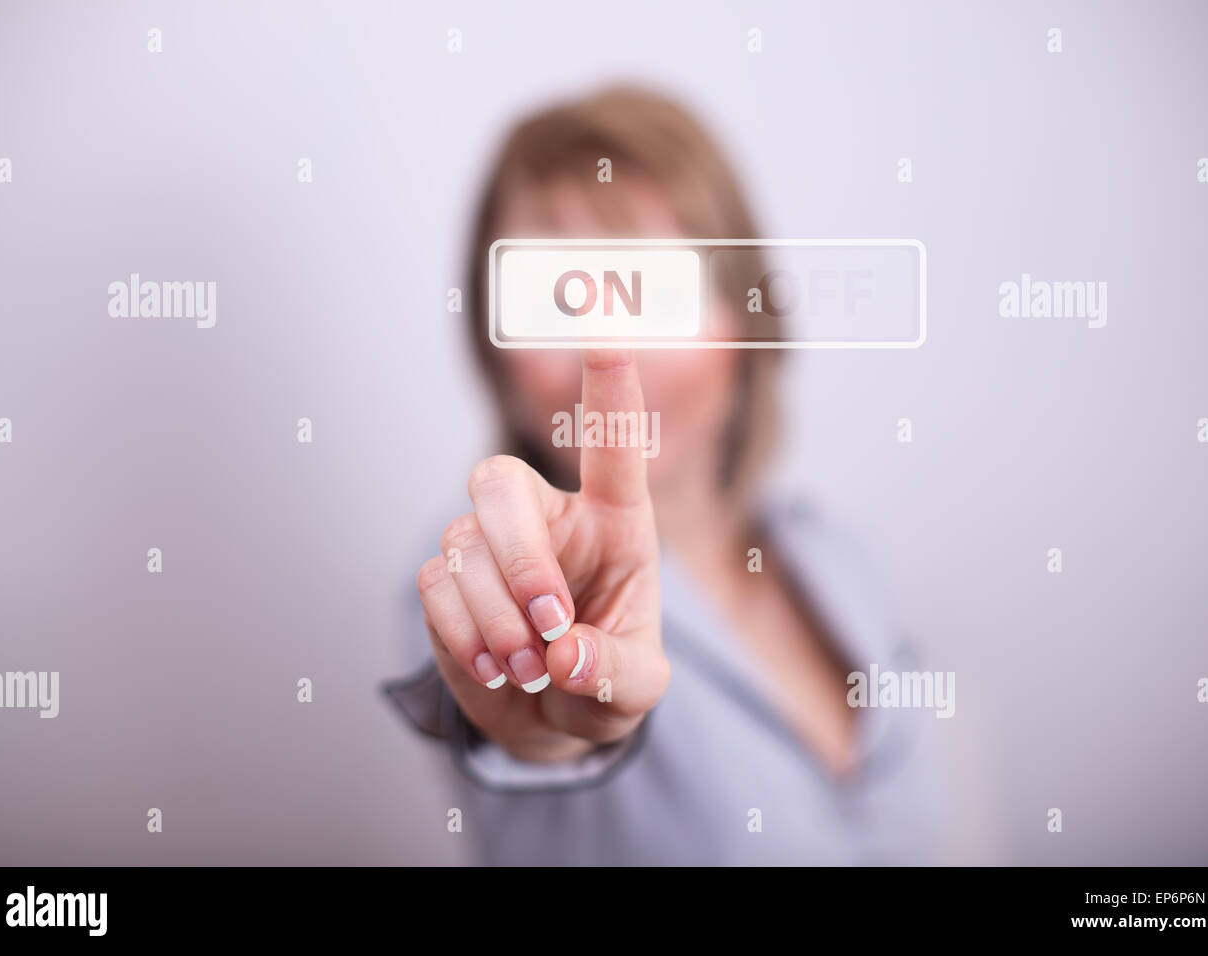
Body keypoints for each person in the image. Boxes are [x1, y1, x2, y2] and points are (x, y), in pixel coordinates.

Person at [386, 86, 944, 864]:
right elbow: (527, 732)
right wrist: (550, 718)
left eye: (660, 290)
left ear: (743, 317)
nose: (612, 343)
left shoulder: (839, 557)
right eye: (557, 299)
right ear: (496, 356)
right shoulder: (475, 567)